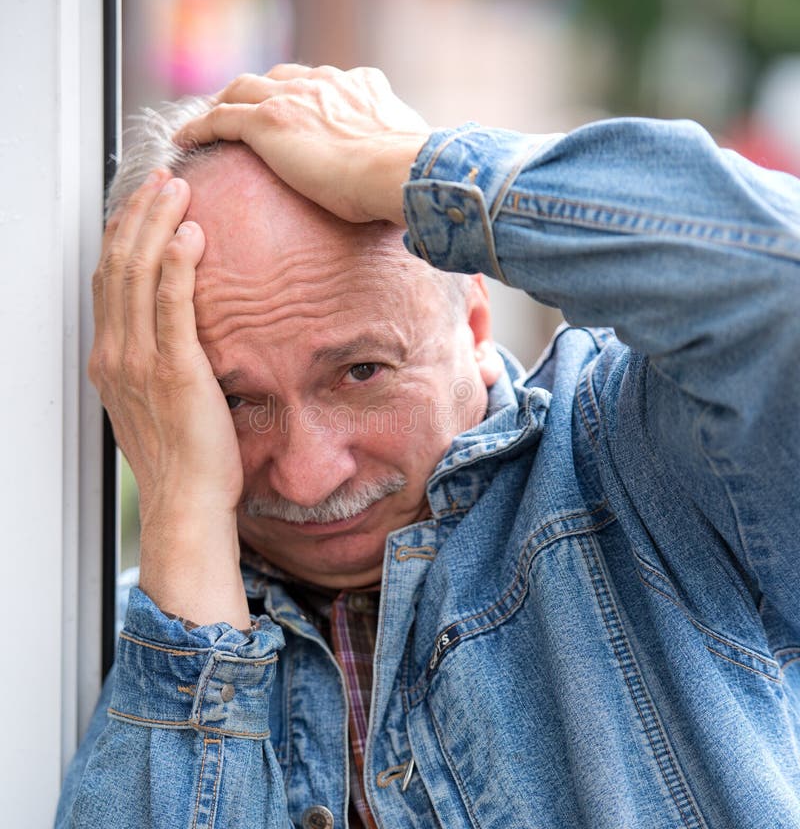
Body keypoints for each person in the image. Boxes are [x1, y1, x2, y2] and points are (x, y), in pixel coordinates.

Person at [57, 65, 800, 828]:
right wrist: (182, 513)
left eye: (360, 371)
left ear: (474, 323)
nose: (311, 478)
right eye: (234, 400)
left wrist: (426, 172)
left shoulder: (643, 466)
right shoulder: (85, 648)